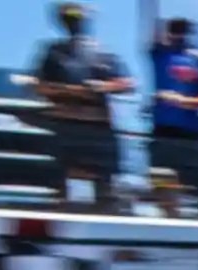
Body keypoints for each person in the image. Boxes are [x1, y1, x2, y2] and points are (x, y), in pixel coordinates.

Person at [31, 2, 134, 211]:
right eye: (69, 18)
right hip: (65, 129)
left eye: (78, 17)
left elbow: (128, 83)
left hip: (98, 130)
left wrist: (102, 87)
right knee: (61, 188)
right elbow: (39, 86)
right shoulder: (53, 52)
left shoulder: (103, 52)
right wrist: (72, 92)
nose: (74, 22)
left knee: (105, 192)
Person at [140, 0, 198, 217]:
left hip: (194, 133)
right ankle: (168, 215)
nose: (178, 34)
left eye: (182, 30)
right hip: (163, 130)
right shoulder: (160, 53)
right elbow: (148, 19)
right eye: (174, 29)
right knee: (161, 181)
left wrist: (182, 101)